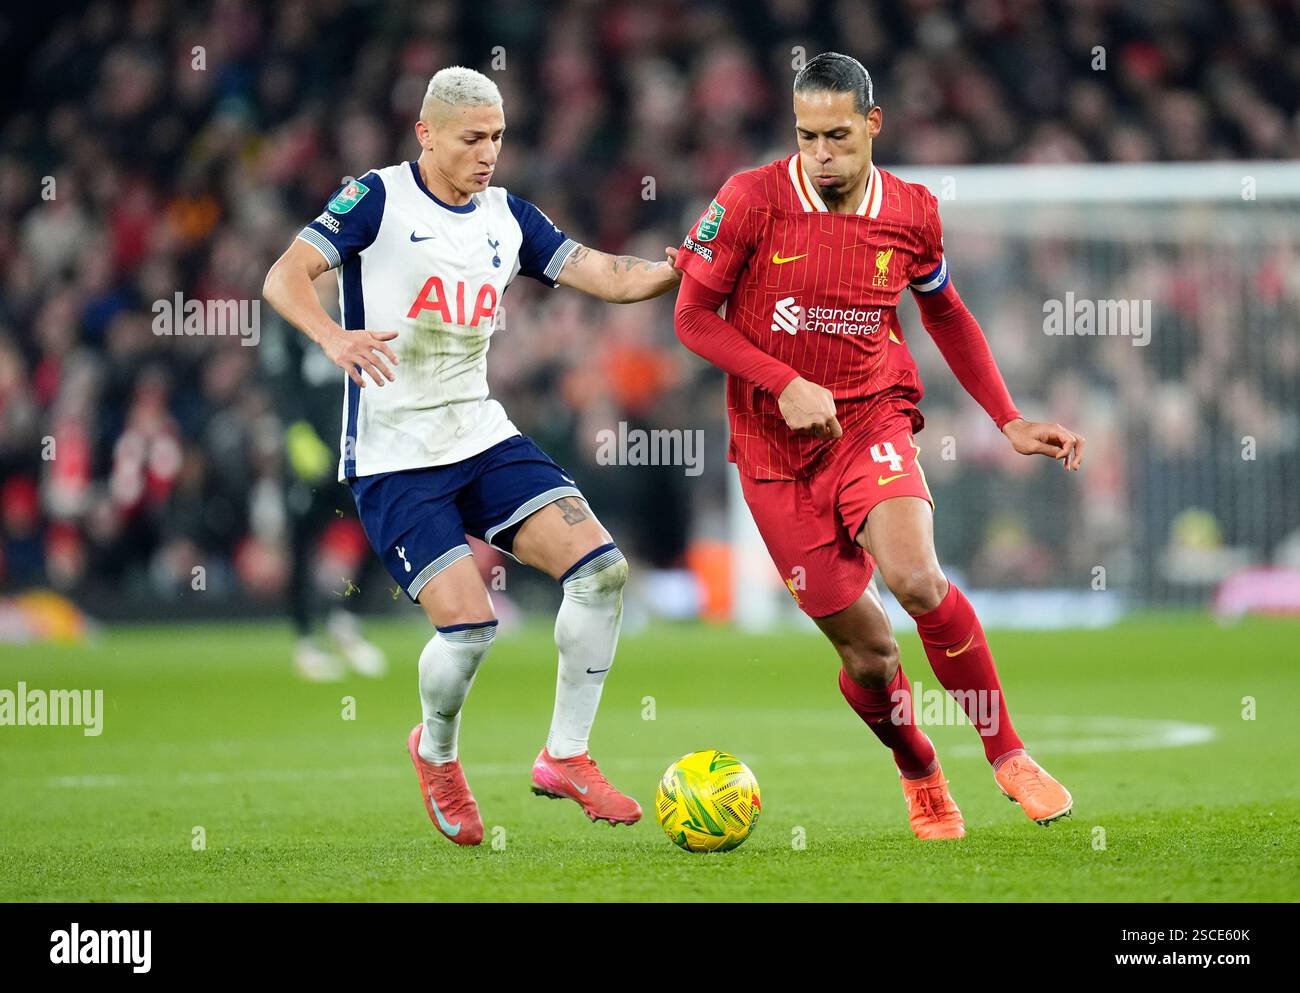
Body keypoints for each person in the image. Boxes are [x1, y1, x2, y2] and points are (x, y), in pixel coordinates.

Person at [263, 66, 681, 846]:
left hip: (481, 435)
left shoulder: (506, 215)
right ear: (427, 134)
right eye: (471, 137)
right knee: (471, 627)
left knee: (601, 569)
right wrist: (333, 336)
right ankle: (439, 752)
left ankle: (567, 755)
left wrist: (681, 270)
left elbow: (607, 276)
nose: (488, 152)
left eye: (497, 137)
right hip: (393, 453)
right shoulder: (377, 199)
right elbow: (283, 275)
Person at [673, 53, 1085, 840]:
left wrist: (1007, 418)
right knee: (869, 654)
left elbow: (948, 314)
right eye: (805, 137)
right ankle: (919, 768)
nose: (819, 154)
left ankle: (1009, 755)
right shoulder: (752, 198)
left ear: (873, 124)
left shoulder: (913, 210)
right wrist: (781, 380)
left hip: (872, 422)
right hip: (772, 451)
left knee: (918, 578)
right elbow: (693, 316)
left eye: (835, 135)